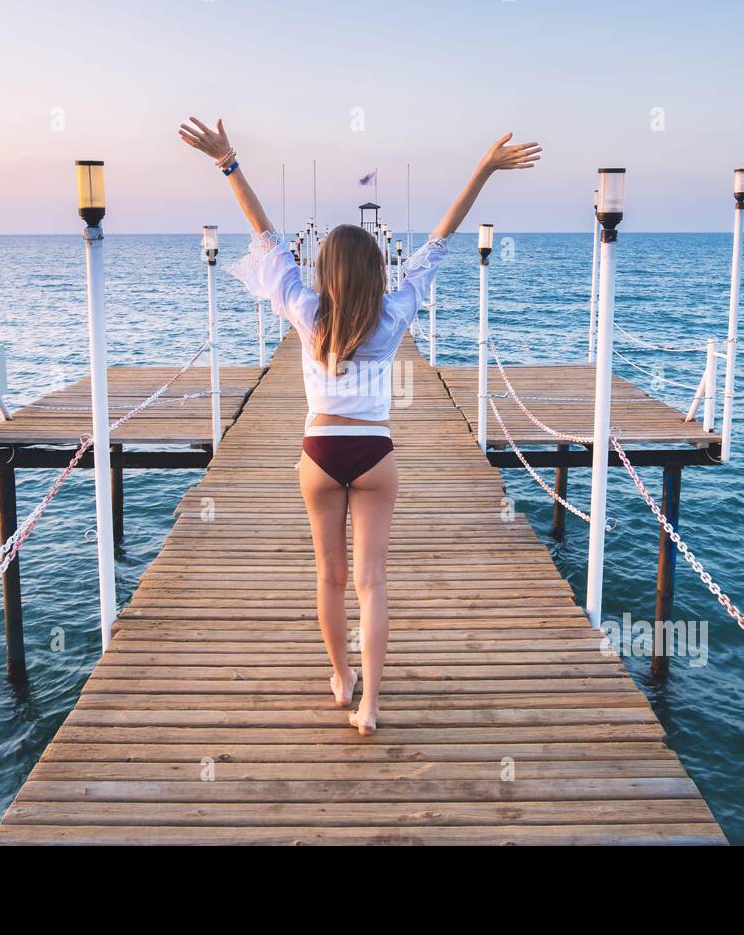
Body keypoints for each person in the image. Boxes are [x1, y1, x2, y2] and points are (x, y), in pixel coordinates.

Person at [178, 117, 541, 734]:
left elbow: (263, 234)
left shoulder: (306, 308)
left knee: (330, 577)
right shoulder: (392, 314)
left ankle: (341, 679)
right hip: (375, 452)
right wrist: (483, 168)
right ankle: (371, 705)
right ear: (376, 272)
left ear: (326, 268)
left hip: (319, 450)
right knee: (372, 581)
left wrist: (229, 163)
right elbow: (441, 239)